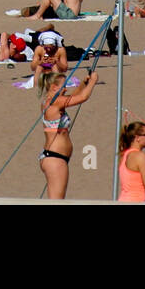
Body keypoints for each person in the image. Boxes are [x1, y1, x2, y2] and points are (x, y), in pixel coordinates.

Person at [39, 70, 98, 199]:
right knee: (57, 201)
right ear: (54, 87)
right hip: (55, 158)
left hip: (54, 157)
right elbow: (82, 98)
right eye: (63, 86)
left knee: (56, 199)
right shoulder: (54, 102)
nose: (65, 89)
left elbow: (71, 98)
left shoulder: (51, 102)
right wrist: (93, 81)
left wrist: (83, 84)